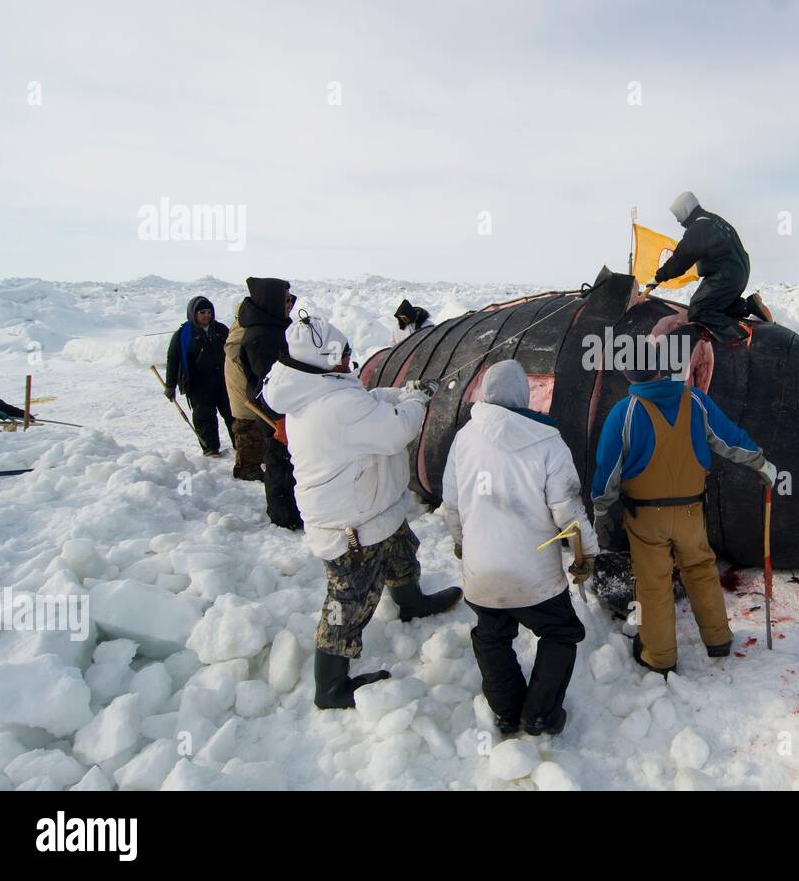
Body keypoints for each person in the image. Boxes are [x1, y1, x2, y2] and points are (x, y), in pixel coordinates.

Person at [263, 314, 462, 710]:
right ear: (325, 358)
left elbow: (368, 402)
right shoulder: (332, 404)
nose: (348, 360)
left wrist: (403, 391)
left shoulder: (317, 388)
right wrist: (417, 401)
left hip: (372, 508)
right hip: (349, 525)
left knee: (401, 551)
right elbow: (393, 431)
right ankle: (331, 685)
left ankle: (411, 601)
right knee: (349, 599)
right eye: (343, 354)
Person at [591, 337, 776, 674]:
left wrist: (601, 509)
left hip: (646, 517)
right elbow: (729, 439)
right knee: (701, 571)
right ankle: (718, 638)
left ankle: (659, 656)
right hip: (692, 513)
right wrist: (761, 464)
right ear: (661, 367)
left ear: (629, 374)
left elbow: (608, 469)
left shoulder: (625, 413)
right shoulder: (695, 401)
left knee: (653, 583)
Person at [442, 360, 597, 736]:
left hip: (483, 571)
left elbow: (452, 502)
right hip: (532, 574)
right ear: (523, 395)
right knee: (560, 632)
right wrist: (584, 552)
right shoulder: (547, 442)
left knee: (492, 635)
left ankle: (508, 711)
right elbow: (568, 508)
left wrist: (462, 543)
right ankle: (539, 715)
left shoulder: (465, 437)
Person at [650, 191, 771, 344]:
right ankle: (748, 307)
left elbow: (681, 258)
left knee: (699, 309)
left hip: (724, 274)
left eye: (678, 216)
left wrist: (658, 277)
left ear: (686, 210)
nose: (679, 222)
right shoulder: (715, 220)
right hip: (739, 270)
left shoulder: (700, 227)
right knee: (717, 306)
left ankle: (735, 339)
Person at [237, 277, 302, 529]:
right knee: (280, 461)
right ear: (271, 301)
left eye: (291, 299)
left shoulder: (275, 327)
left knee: (289, 460)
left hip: (284, 408)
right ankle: (284, 516)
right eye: (286, 300)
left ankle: (292, 509)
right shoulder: (261, 336)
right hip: (273, 411)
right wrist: (278, 420)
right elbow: (270, 383)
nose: (290, 305)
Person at [164, 296, 234, 457]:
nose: (206, 315)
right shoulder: (183, 334)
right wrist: (170, 385)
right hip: (198, 385)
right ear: (193, 313)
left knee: (233, 415)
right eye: (202, 312)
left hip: (225, 382)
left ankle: (242, 447)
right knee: (204, 417)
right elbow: (173, 360)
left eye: (209, 312)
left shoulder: (221, 330)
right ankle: (210, 449)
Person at [224, 299, 266, 481]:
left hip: (245, 386)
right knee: (247, 429)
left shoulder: (245, 324)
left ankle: (252, 463)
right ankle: (245, 468)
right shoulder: (243, 326)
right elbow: (232, 349)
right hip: (242, 387)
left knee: (254, 428)